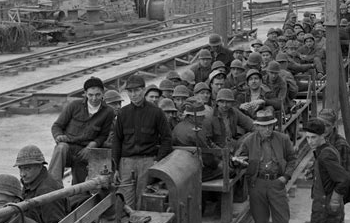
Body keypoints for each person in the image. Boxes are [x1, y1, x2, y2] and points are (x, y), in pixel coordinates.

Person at [233, 110, 297, 223]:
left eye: (270, 126)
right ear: (257, 126)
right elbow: (239, 157)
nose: (267, 129)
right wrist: (237, 162)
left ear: (274, 125)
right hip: (257, 184)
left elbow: (292, 159)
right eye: (263, 126)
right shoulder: (249, 140)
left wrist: (285, 177)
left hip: (277, 183)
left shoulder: (283, 139)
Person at [112, 74, 172, 209]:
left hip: (147, 161)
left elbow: (167, 139)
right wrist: (115, 167)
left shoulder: (156, 113)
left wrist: (158, 161)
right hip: (126, 163)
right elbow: (117, 140)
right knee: (125, 200)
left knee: (143, 199)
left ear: (144, 90)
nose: (133, 95)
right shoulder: (122, 113)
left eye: (137, 90)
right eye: (130, 91)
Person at [49, 77, 114, 185]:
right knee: (61, 147)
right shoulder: (74, 106)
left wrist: (91, 146)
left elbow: (103, 135)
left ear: (103, 93)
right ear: (85, 94)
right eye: (90, 95)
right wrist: (59, 136)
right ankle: (53, 186)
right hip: (68, 149)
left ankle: (79, 195)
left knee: (81, 185)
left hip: (85, 151)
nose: (94, 98)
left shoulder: (108, 112)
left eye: (97, 94)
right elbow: (57, 126)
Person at [302, 119, 350, 223]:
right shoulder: (326, 149)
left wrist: (334, 201)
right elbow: (329, 173)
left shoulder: (325, 154)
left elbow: (345, 179)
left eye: (313, 137)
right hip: (327, 207)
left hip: (325, 208)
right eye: (307, 138)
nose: (310, 141)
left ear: (322, 136)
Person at [318, 109, 350, 223]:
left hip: (335, 193)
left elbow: (346, 176)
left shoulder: (341, 146)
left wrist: (336, 198)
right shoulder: (322, 141)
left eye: (327, 125)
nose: (323, 128)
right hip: (325, 191)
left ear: (333, 126)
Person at [14, 145, 68, 223]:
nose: (22, 174)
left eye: (27, 169)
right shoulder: (31, 181)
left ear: (39, 166)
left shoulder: (46, 191)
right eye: (20, 169)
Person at [172, 97, 223, 182]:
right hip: (193, 171)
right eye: (201, 116)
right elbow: (208, 159)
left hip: (179, 169)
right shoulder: (195, 132)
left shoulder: (178, 127)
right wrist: (219, 162)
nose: (203, 118)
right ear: (192, 116)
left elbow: (208, 143)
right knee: (229, 170)